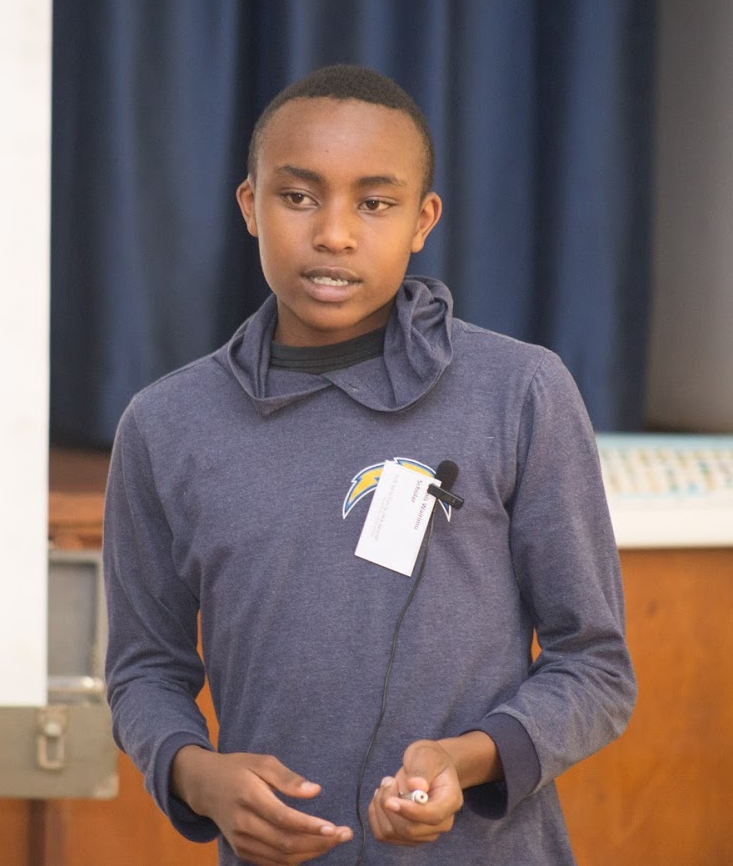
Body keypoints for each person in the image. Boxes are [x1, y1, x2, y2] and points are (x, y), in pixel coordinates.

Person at [102, 63, 635, 866]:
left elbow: (594, 666)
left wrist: (464, 759)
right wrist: (196, 774)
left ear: (423, 220)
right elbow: (143, 670)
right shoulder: (166, 425)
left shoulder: (520, 392)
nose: (334, 233)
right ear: (249, 204)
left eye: (374, 203)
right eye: (297, 196)